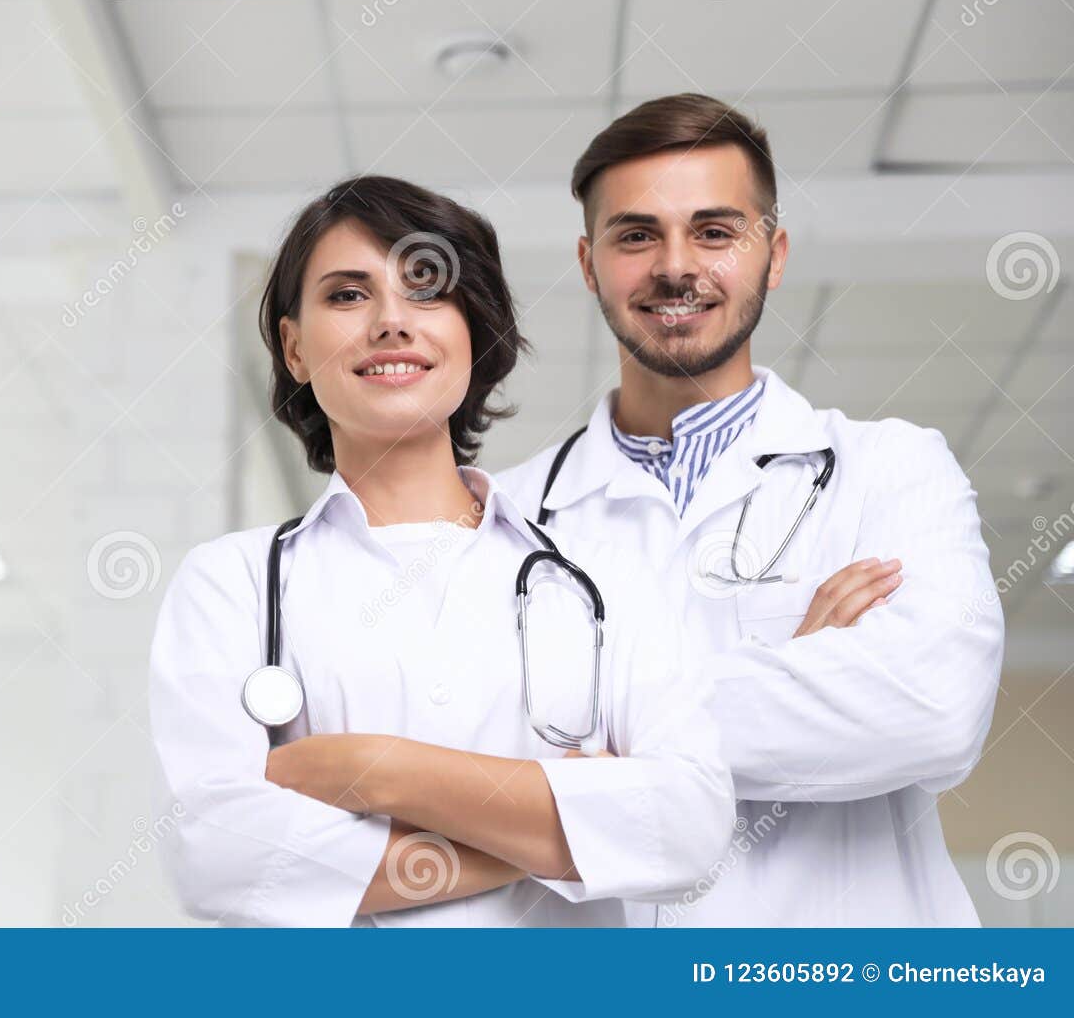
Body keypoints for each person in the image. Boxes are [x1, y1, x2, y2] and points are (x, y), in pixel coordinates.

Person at [146, 174, 739, 927]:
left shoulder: (606, 580)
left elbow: (689, 828)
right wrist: (565, 829)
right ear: (294, 348)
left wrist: (378, 771)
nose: (392, 321)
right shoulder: (231, 583)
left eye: (426, 287)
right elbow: (216, 854)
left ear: (474, 330)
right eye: (347, 294)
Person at [499, 93, 1005, 926]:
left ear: (772, 253)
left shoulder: (891, 468)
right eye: (636, 234)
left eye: (714, 230)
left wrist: (599, 734)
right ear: (589, 264)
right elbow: (470, 758)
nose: (674, 266)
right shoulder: (505, 517)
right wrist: (797, 665)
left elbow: (933, 712)